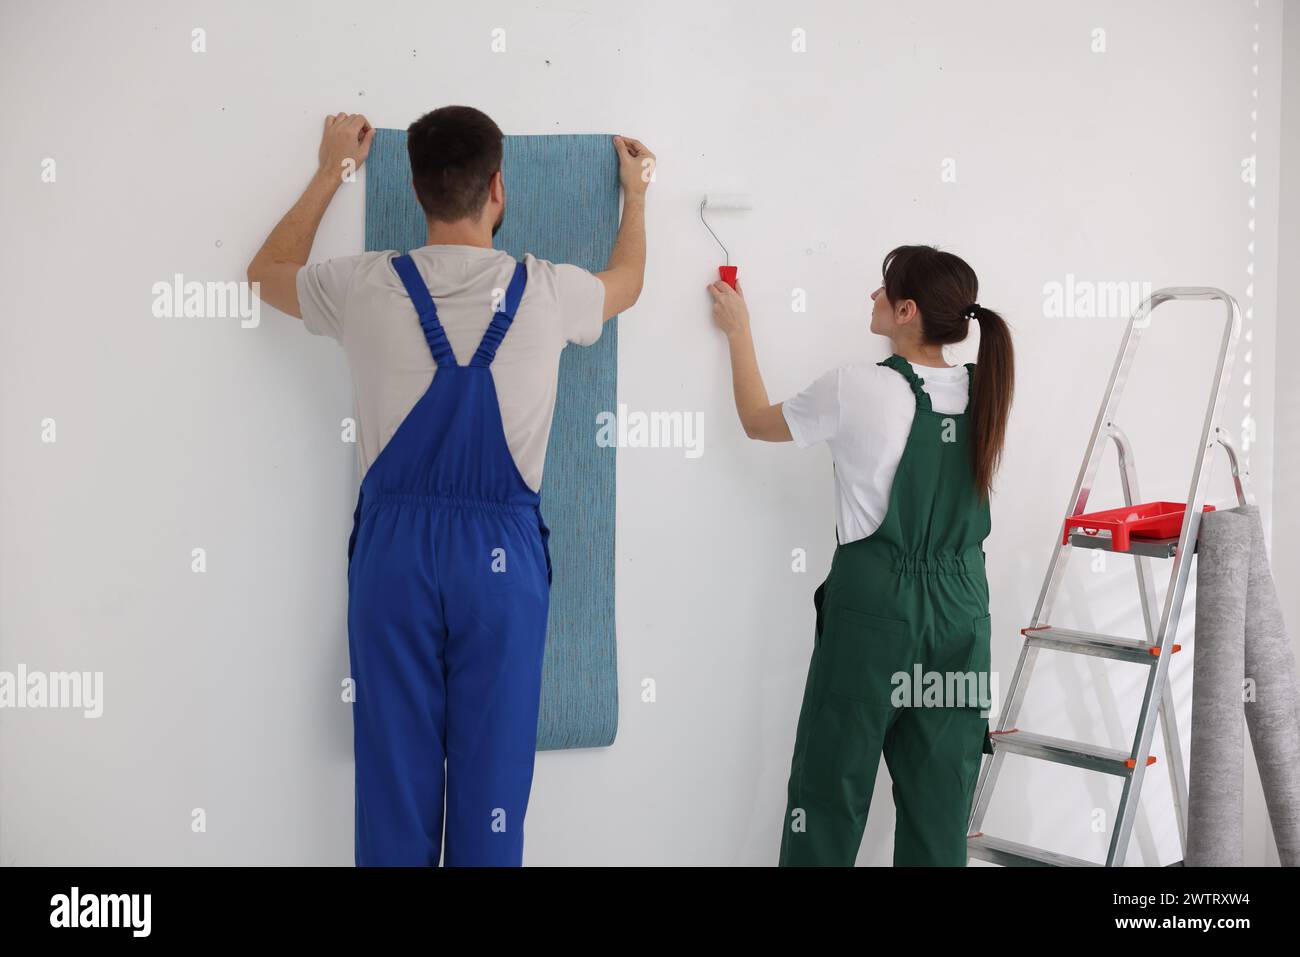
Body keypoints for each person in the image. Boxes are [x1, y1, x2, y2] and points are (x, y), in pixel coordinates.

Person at [247, 106, 653, 866]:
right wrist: (637, 195)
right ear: (498, 188)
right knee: (493, 791)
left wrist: (334, 169)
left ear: (415, 187)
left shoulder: (362, 285)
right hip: (501, 563)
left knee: (393, 785)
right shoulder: (549, 291)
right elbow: (628, 281)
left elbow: (264, 273)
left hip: (394, 560)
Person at [708, 244, 1015, 866]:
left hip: (876, 607)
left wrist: (739, 332)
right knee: (939, 799)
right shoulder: (986, 387)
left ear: (906, 310)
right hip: (963, 612)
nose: (871, 299)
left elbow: (756, 422)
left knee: (829, 790)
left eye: (882, 291)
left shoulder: (856, 386)